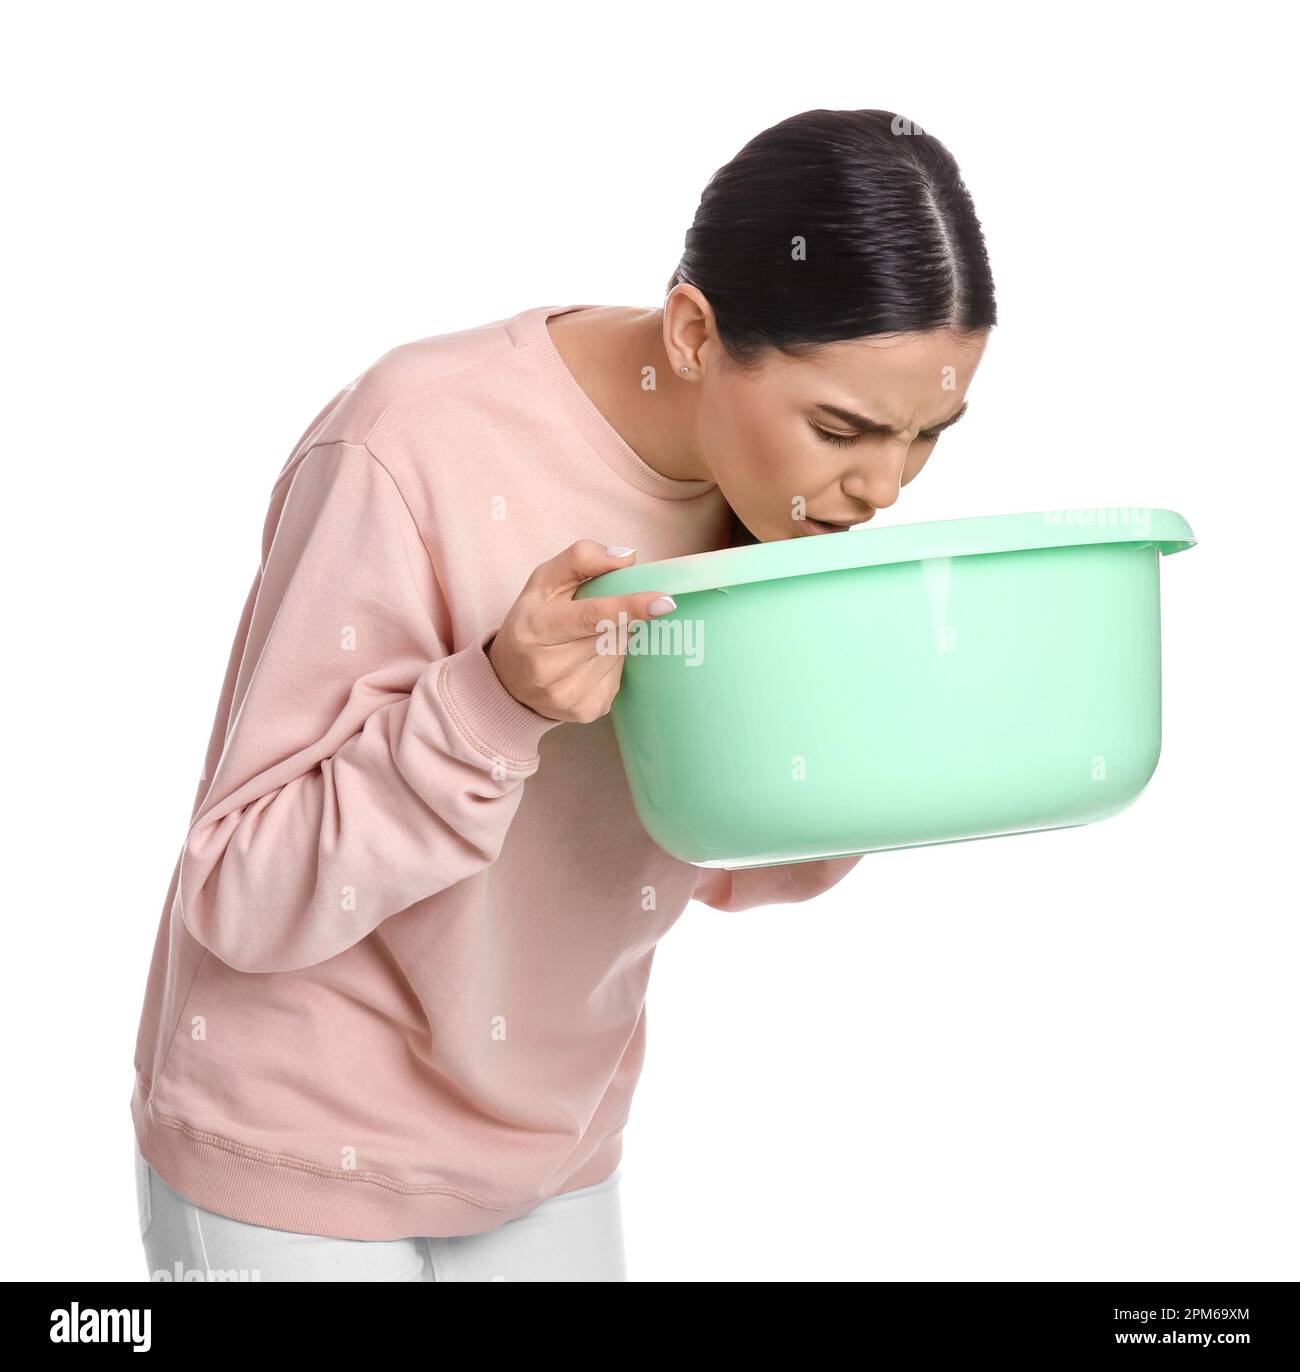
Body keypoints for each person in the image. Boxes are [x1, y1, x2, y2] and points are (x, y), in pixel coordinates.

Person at [131, 107, 996, 1282]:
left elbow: (725, 854)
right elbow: (238, 891)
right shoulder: (412, 439)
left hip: (551, 1151)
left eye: (927, 437)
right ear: (693, 331)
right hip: (290, 1158)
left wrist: (872, 739)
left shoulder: (775, 509)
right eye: (843, 427)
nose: (883, 486)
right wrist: (492, 704)